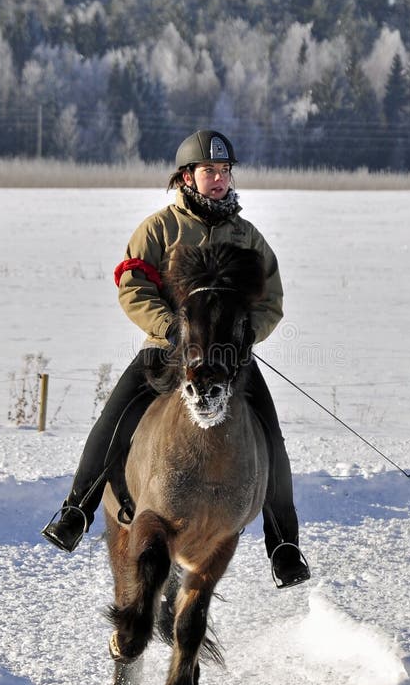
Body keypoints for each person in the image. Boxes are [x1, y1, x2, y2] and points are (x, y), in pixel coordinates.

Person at [42, 129, 310, 588]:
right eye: (210, 171)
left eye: (225, 171)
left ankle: (283, 544)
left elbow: (271, 302)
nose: (219, 179)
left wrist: (248, 338)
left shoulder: (248, 237)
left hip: (229, 359)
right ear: (187, 175)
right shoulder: (158, 229)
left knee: (271, 437)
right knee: (114, 420)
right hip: (165, 350)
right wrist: (170, 329)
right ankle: (76, 508)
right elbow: (132, 287)